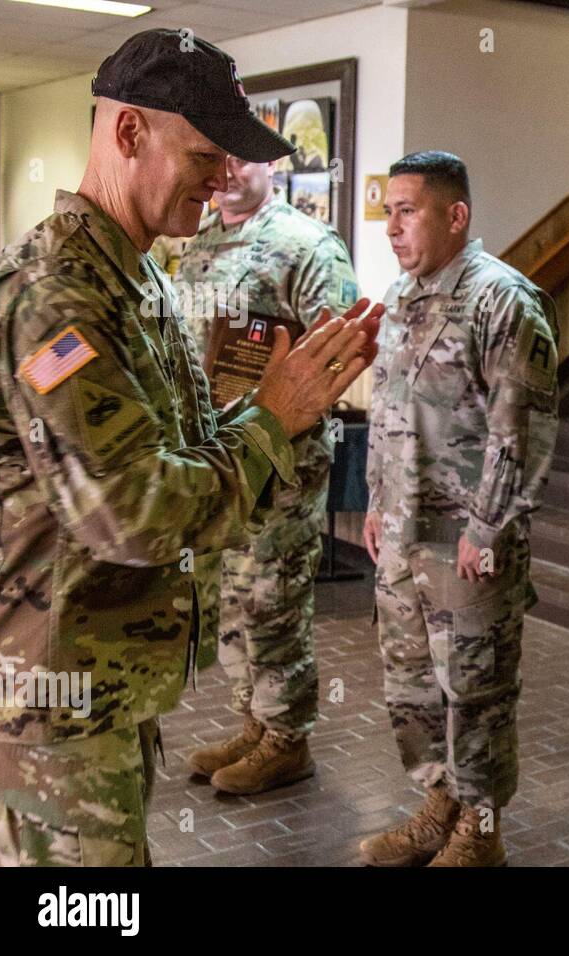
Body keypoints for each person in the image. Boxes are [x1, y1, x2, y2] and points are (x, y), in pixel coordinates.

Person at [0, 29, 380, 867]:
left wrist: (289, 416)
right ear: (129, 133)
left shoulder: (143, 280)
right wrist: (273, 418)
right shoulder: (56, 299)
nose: (224, 175)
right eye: (207, 153)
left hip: (111, 690)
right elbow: (132, 512)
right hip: (51, 710)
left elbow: (197, 452)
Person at [359, 151, 558, 867]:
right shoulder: (401, 297)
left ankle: (480, 828)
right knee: (413, 685)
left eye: (407, 211)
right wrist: (377, 502)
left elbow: (522, 429)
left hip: (467, 543)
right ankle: (438, 802)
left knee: (475, 688)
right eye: (389, 212)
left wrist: (489, 527)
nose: (392, 228)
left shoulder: (503, 300)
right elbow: (389, 412)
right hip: (405, 536)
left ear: (456, 215)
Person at [177, 157, 360, 795]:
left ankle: (288, 738)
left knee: (273, 602)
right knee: (230, 601)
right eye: (215, 154)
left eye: (241, 155)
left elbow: (338, 353)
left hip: (281, 463)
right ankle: (252, 723)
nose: (226, 169)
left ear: (272, 164)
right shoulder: (199, 242)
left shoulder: (307, 245)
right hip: (216, 458)